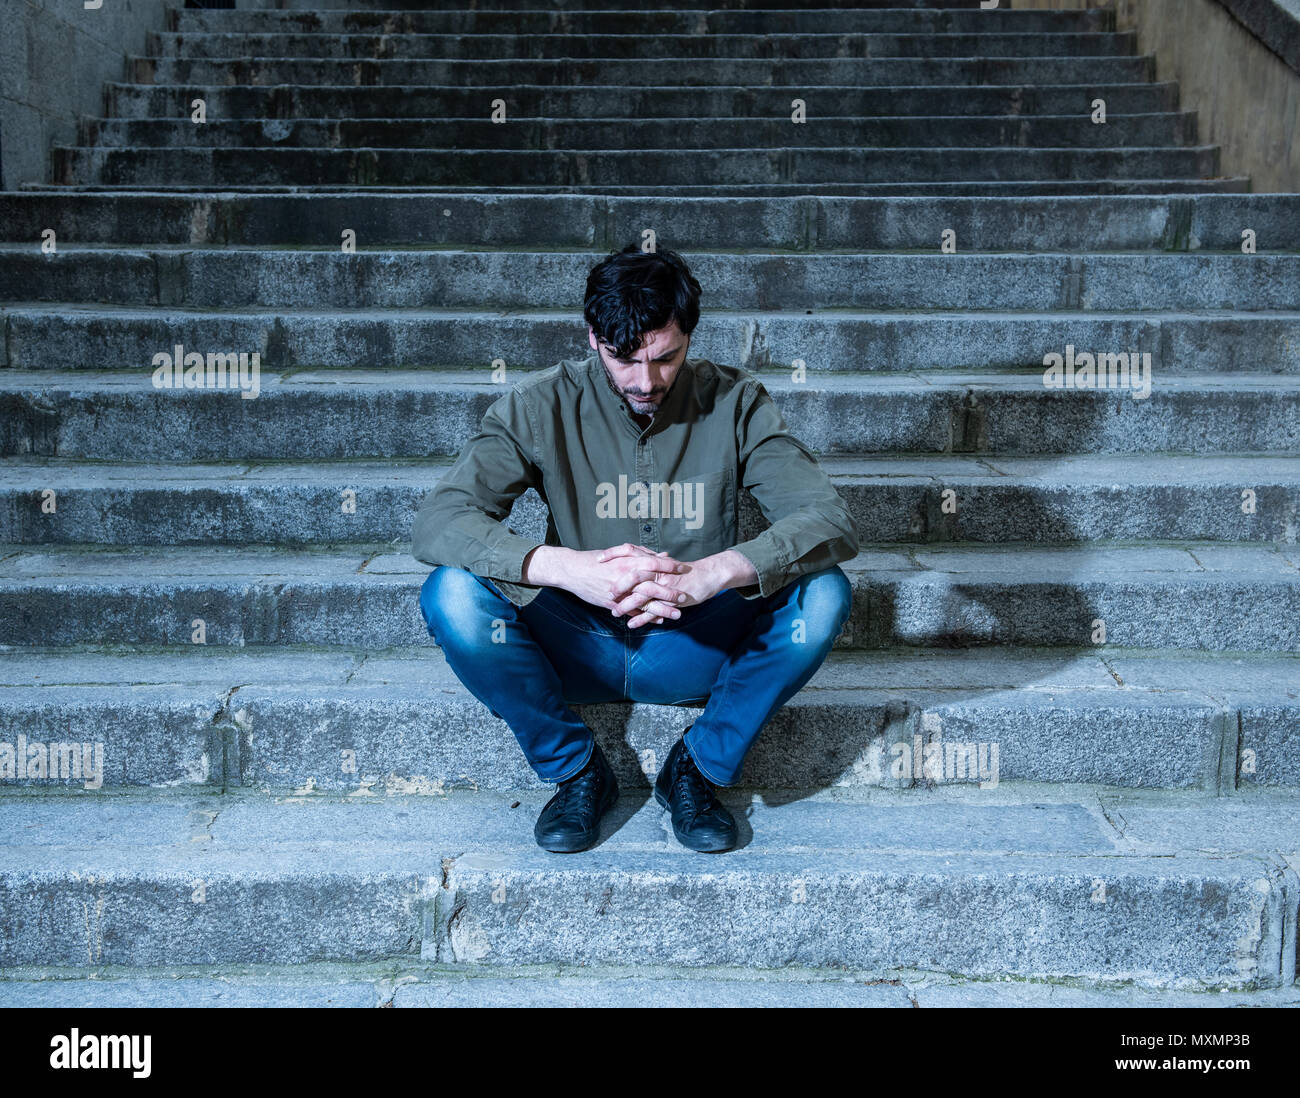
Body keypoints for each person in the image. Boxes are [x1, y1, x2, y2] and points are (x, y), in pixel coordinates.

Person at [414, 243, 858, 853]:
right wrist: (568, 569)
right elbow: (441, 519)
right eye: (624, 358)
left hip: (695, 641)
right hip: (577, 642)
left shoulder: (737, 402)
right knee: (452, 594)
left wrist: (716, 572)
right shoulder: (537, 405)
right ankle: (576, 772)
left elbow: (827, 517)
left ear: (689, 337)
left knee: (825, 593)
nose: (645, 381)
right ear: (593, 337)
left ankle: (696, 768)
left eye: (665, 358)